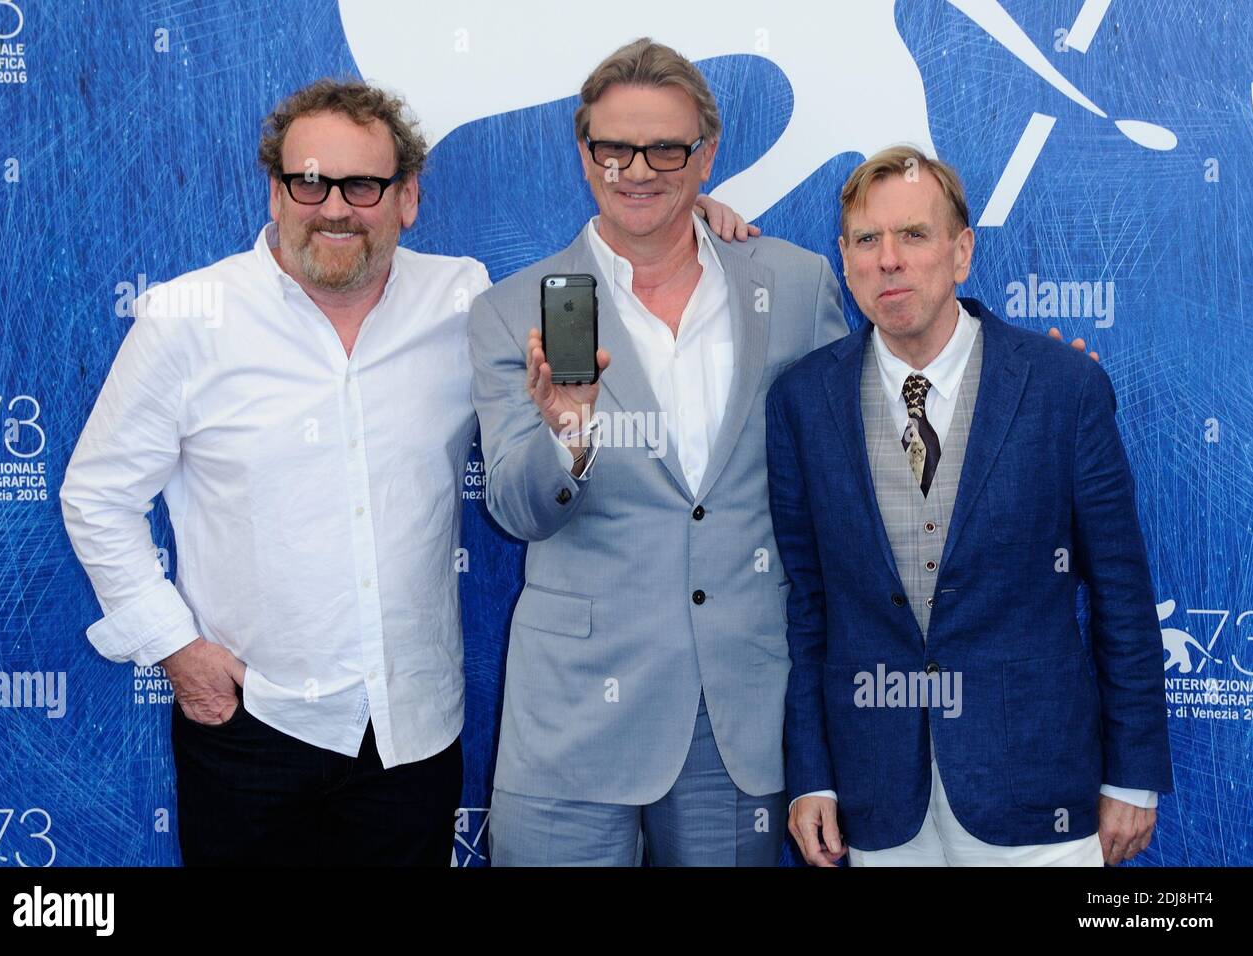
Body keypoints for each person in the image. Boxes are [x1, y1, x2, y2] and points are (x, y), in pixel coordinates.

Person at [60, 79, 488, 865]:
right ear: (276, 190)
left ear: (408, 198)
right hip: (251, 727)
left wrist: (694, 226)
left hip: (413, 731)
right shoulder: (189, 318)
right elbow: (97, 495)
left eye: (362, 185)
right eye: (309, 181)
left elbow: (591, 311)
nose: (333, 208)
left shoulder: (464, 300)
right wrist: (176, 650)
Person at [469, 37, 848, 866]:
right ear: (584, 153)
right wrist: (568, 435)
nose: (636, 169)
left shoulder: (791, 285)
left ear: (706, 155)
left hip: (737, 717)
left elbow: (847, 460)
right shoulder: (511, 312)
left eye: (666, 148)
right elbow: (513, 507)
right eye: (614, 147)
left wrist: (1018, 381)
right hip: (571, 722)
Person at [769, 146, 1172, 867]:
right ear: (845, 259)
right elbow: (809, 607)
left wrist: (1133, 774)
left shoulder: (1061, 386)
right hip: (877, 801)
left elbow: (1122, 592)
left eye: (914, 235)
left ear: (961, 253)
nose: (888, 259)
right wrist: (811, 775)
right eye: (868, 240)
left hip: (1038, 796)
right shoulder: (802, 401)